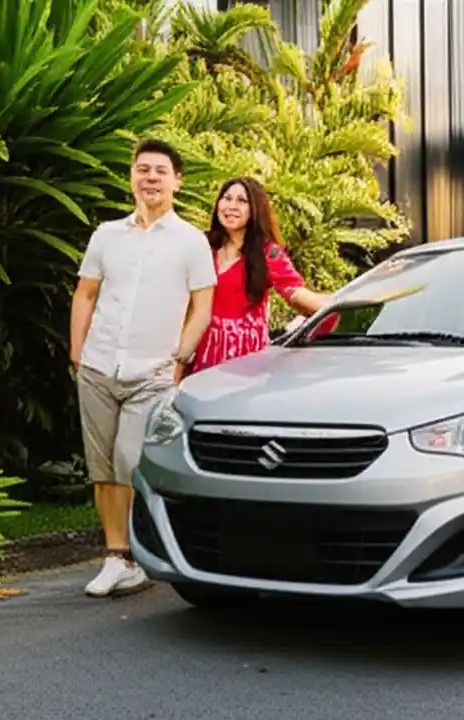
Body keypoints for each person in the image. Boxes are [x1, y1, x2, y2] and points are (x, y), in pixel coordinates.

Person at [69, 138, 216, 598]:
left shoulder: (191, 241)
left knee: (129, 460)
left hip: (152, 372)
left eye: (160, 171)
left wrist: (180, 358)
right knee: (101, 466)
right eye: (142, 169)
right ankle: (117, 557)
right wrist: (77, 351)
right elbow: (86, 294)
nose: (150, 178)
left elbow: (202, 308)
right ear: (132, 176)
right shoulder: (107, 235)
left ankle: (132, 554)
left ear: (177, 181)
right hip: (98, 365)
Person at [188, 176, 329, 374]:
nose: (231, 206)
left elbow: (294, 291)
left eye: (242, 201)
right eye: (227, 198)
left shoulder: (267, 253)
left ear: (255, 210)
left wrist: (338, 305)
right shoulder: (204, 246)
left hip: (246, 357)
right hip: (202, 350)